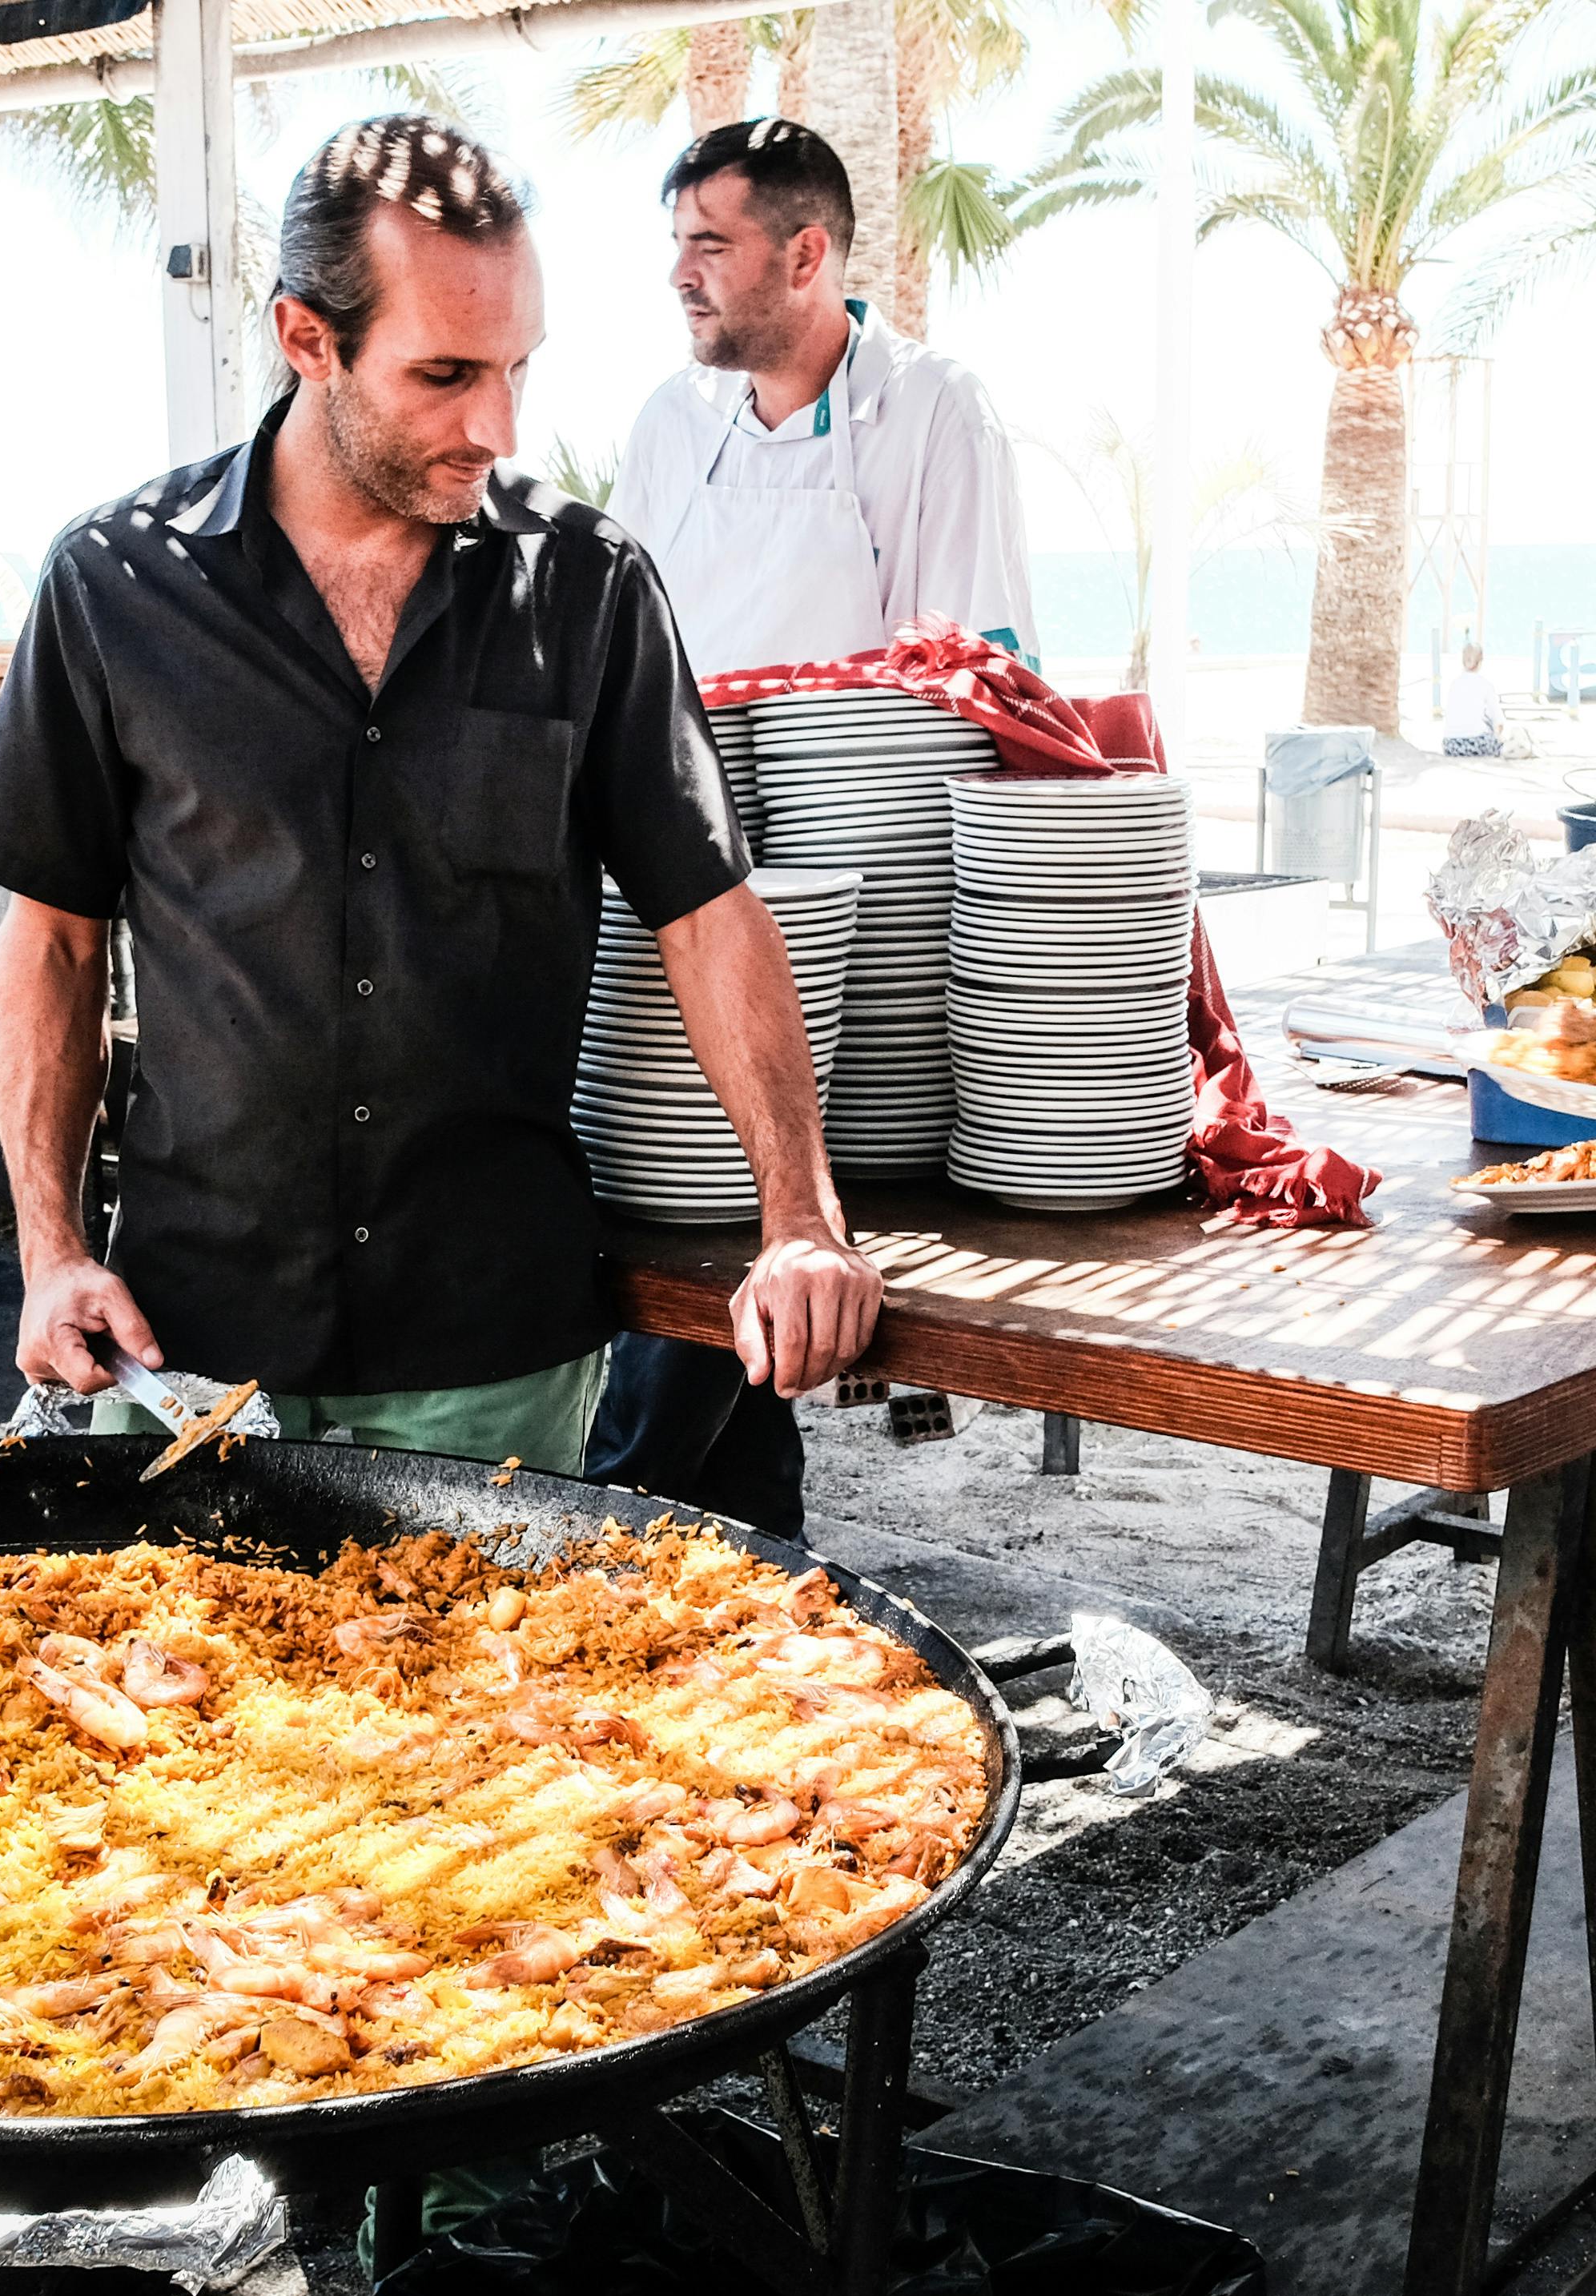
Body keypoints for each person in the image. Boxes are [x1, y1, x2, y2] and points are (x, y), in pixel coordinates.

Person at [0, 111, 882, 2296]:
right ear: (303, 337)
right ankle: (145, 2205)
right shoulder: (113, 584)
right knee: (176, 1801)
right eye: (447, 379)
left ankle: (469, 2293)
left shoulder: (584, 589)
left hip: (491, 1340)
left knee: (482, 1822)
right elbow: (46, 943)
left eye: (518, 374)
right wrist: (49, 1248)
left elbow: (711, 915)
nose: (497, 428)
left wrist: (800, 1208)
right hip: (204, 1337)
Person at [587, 117, 1038, 1541]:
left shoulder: (935, 411)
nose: (682, 277)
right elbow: (620, 649)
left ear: (806, 252)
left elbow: (973, 676)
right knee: (698, 1238)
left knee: (738, 1263)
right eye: (675, 247)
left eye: (708, 246)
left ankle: (636, 1526)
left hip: (873, 902)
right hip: (694, 894)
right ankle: (747, 1555)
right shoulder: (672, 422)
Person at [1440, 639, 1503, 756]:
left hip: (1450, 745)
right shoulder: (1485, 684)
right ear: (1480, 662)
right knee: (1499, 743)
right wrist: (1498, 736)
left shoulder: (1454, 684)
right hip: (1475, 742)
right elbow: (1498, 719)